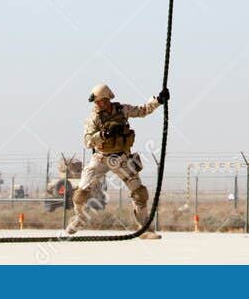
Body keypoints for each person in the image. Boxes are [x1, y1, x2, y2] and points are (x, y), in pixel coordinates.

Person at [67, 82, 171, 236]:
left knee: (140, 194)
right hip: (101, 159)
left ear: (107, 99)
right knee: (81, 193)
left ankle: (144, 229)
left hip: (122, 158)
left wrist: (158, 100)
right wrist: (103, 135)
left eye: (100, 101)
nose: (98, 104)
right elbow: (87, 141)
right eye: (96, 102)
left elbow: (142, 111)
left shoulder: (122, 110)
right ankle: (80, 217)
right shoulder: (94, 118)